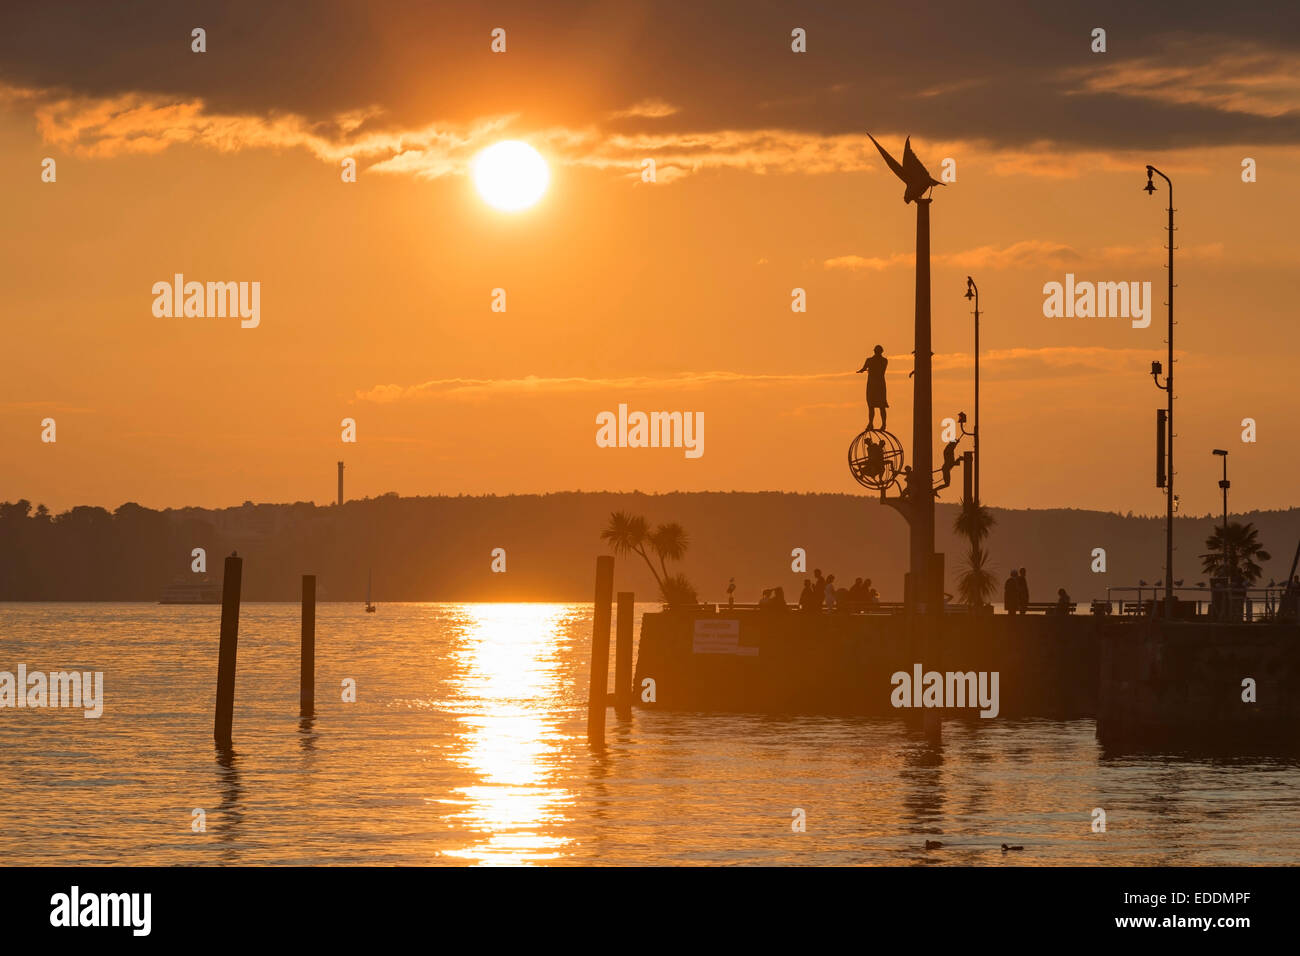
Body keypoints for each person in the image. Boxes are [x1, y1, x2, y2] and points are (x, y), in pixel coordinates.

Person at [856, 345, 889, 431]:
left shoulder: (871, 360)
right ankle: (874, 423)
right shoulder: (883, 360)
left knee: (876, 406)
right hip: (877, 384)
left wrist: (863, 370)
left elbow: (864, 368)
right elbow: (864, 368)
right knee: (875, 406)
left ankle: (878, 424)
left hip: (875, 384)